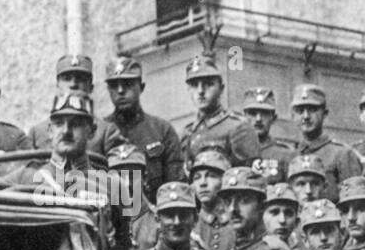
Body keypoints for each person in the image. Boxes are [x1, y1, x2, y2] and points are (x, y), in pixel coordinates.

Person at [194, 167, 295, 250]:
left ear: (262, 207)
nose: (232, 209)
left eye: (244, 200)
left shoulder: (274, 249)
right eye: (228, 201)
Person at [100, 56, 183, 204]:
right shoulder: (99, 132)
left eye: (127, 84)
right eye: (114, 85)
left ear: (142, 87)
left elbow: (175, 184)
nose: (120, 91)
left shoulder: (162, 130)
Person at [178, 54, 260, 168]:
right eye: (194, 85)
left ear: (221, 88)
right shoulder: (187, 133)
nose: (201, 91)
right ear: (188, 90)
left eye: (208, 84)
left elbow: (248, 176)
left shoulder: (239, 128)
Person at [27, 54, 117, 156]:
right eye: (67, 79)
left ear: (91, 87)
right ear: (58, 86)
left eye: (81, 79)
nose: (73, 84)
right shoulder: (37, 132)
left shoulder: (105, 131)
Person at [289, 83, 362, 202]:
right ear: (293, 115)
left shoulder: (342, 154)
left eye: (312, 110)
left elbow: (353, 200)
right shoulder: (290, 154)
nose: (306, 116)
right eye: (300, 111)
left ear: (325, 113)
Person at [135, 182, 217, 250]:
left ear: (195, 219)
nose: (177, 222)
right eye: (169, 215)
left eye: (183, 215)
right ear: (157, 220)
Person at [243, 88, 298, 184]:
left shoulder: (286, 155)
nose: (258, 119)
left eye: (264, 113)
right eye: (252, 113)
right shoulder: (235, 152)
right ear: (244, 117)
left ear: (273, 118)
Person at [190, 148, 237, 250]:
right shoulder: (190, 227)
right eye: (197, 178)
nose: (202, 183)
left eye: (211, 176)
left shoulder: (238, 223)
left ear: (225, 181)